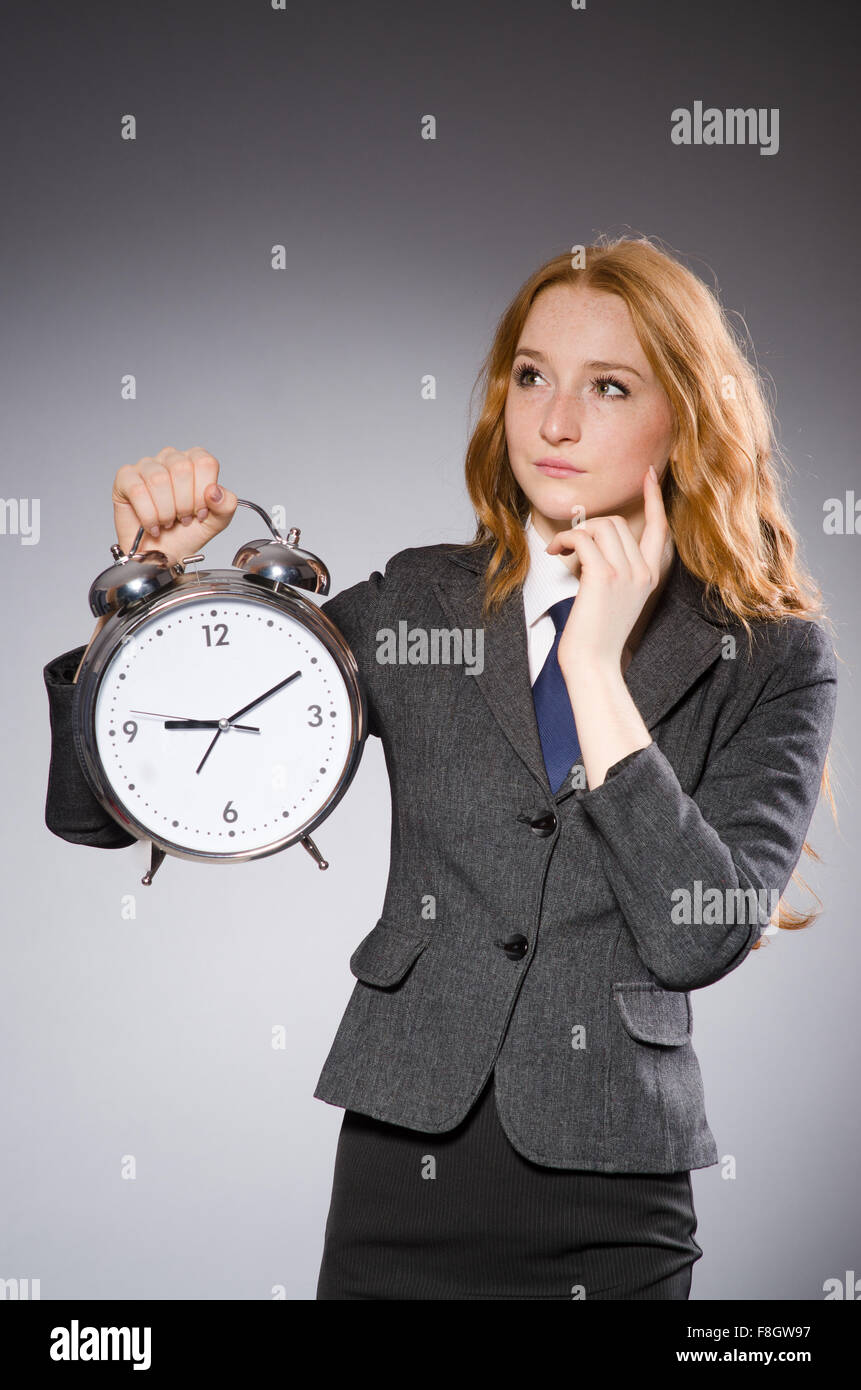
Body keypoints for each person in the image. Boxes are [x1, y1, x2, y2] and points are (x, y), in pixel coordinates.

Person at [42, 236, 838, 1300]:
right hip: (400, 1178)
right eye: (531, 375)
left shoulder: (772, 652)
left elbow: (699, 933)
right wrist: (156, 589)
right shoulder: (421, 602)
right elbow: (118, 806)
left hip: (614, 1195)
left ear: (687, 418)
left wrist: (594, 667)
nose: (555, 422)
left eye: (609, 386)